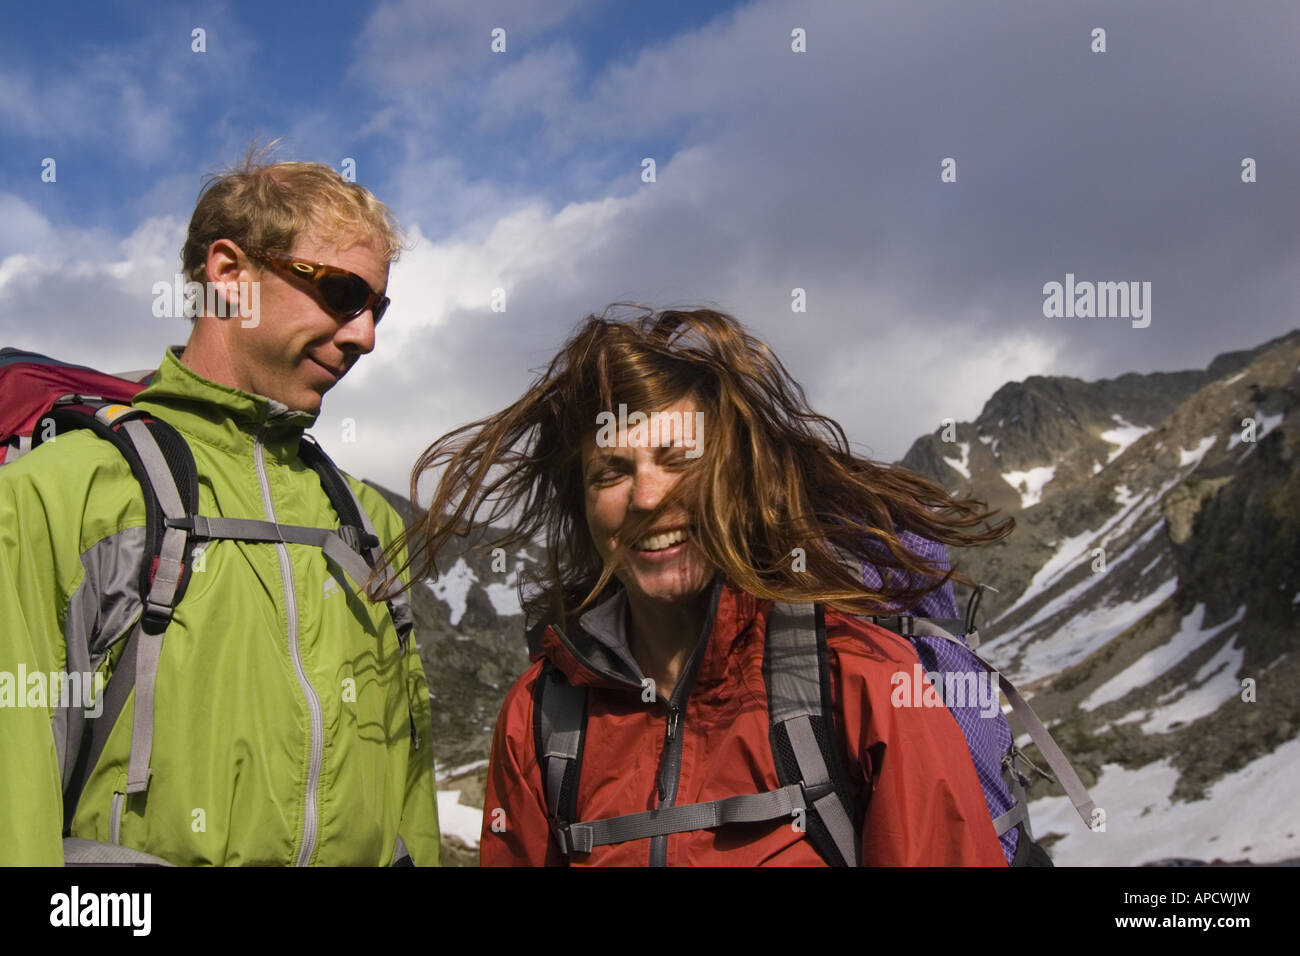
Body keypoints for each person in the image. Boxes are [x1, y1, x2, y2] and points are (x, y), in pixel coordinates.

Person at [390, 306, 1014, 866]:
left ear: (736, 481)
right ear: (582, 503)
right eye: (611, 472)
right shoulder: (540, 716)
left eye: (678, 460)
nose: (647, 496)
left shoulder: (860, 678)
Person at [0, 150, 440, 865]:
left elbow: (409, 784)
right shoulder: (61, 494)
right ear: (230, 274)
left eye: (377, 308)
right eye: (340, 293)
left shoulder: (369, 525)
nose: (367, 335)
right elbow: (12, 795)